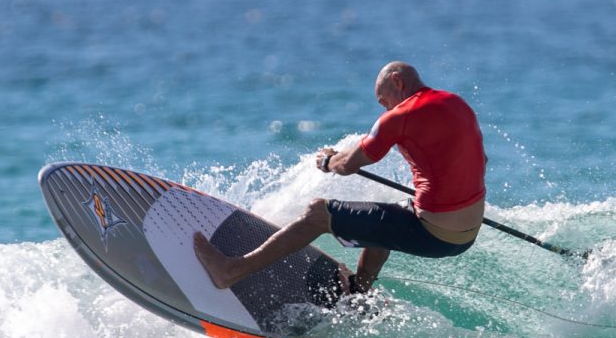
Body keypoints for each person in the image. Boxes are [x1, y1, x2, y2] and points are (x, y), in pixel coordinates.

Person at [193, 61, 485, 294]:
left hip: (434, 233)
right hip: (467, 233)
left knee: (318, 213)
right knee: (383, 213)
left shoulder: (400, 116)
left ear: (397, 82)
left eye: (384, 101)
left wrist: (328, 160)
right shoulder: (457, 104)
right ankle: (359, 290)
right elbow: (480, 161)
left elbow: (347, 164)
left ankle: (231, 271)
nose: (385, 108)